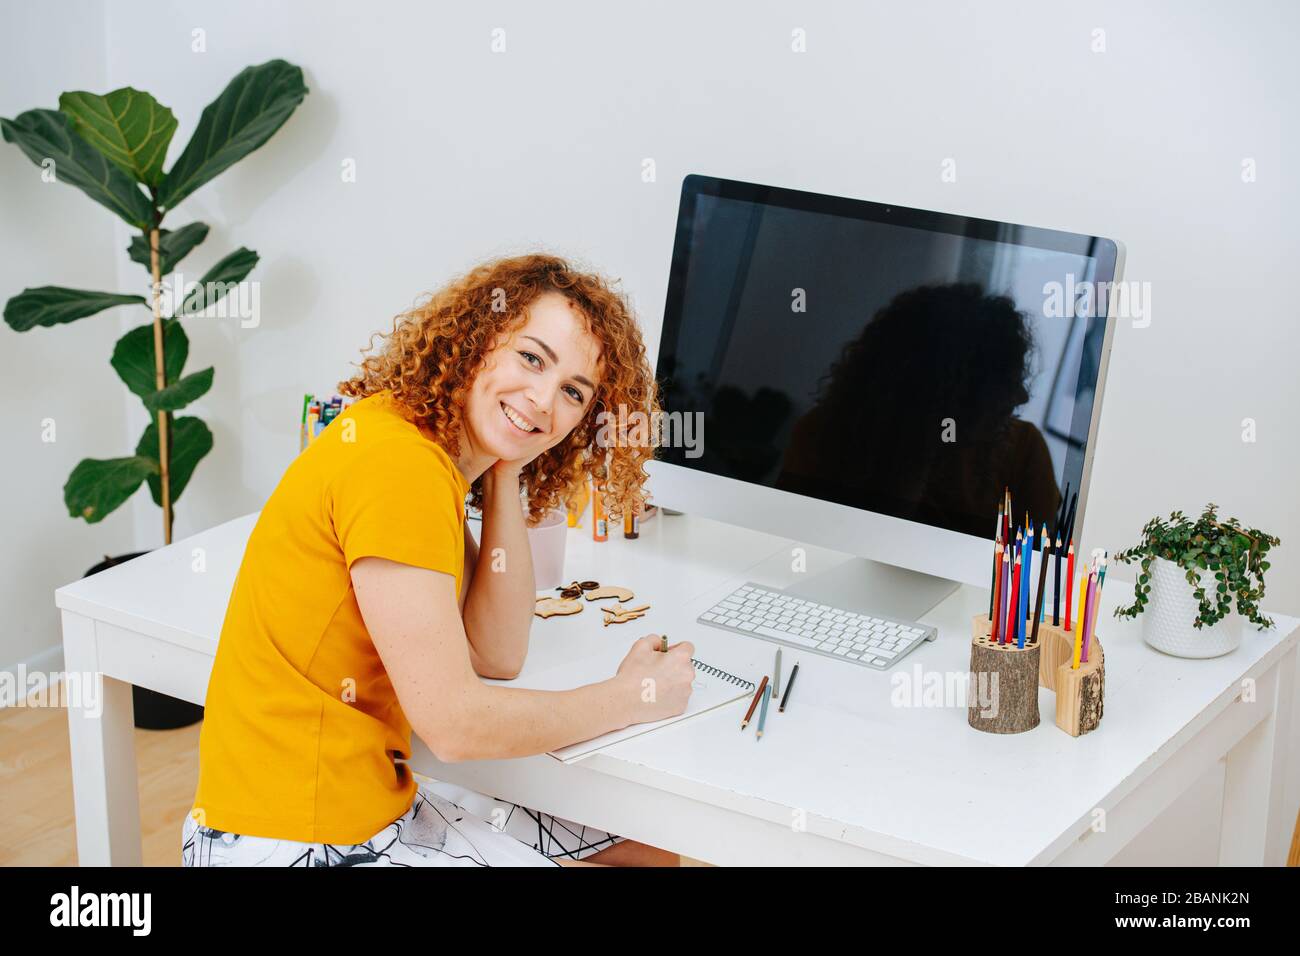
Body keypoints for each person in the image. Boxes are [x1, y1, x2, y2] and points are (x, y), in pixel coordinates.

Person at [183, 253, 694, 867]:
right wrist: (631, 696)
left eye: (572, 393)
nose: (541, 399)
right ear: (479, 338)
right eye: (531, 358)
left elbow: (496, 652)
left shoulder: (417, 450)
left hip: (350, 807)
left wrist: (508, 464)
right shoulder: (399, 468)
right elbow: (455, 727)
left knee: (641, 845)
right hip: (297, 839)